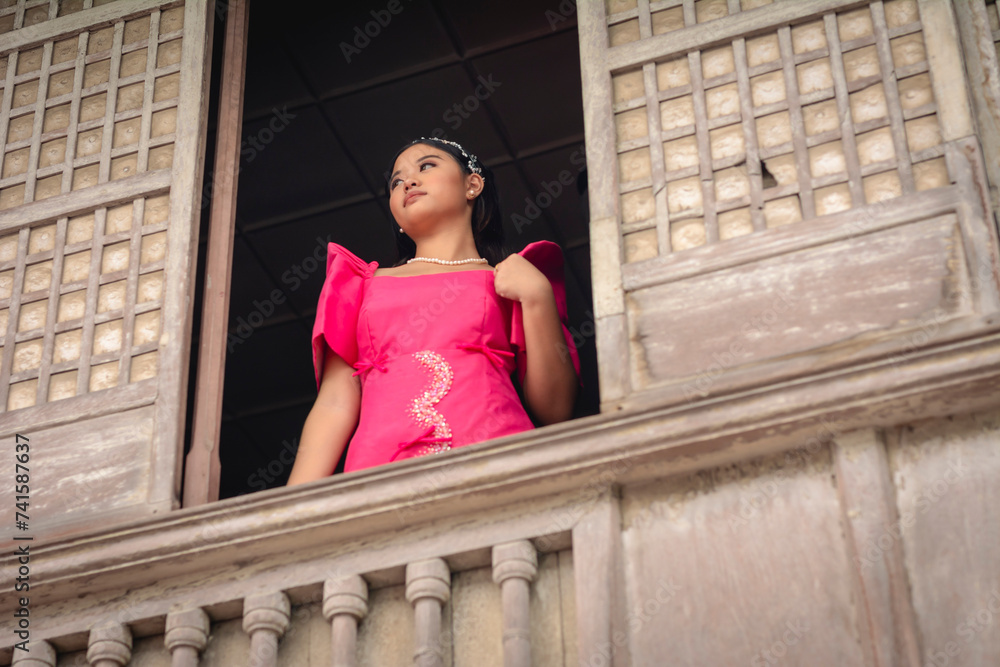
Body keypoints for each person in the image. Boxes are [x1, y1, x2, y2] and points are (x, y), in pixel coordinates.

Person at [286, 137, 580, 484]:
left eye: (427, 166)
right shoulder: (359, 284)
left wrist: (537, 297)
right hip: (379, 474)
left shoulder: (515, 279)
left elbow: (557, 411)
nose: (408, 181)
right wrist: (286, 511)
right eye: (396, 181)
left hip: (496, 462)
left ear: (473, 185)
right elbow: (335, 403)